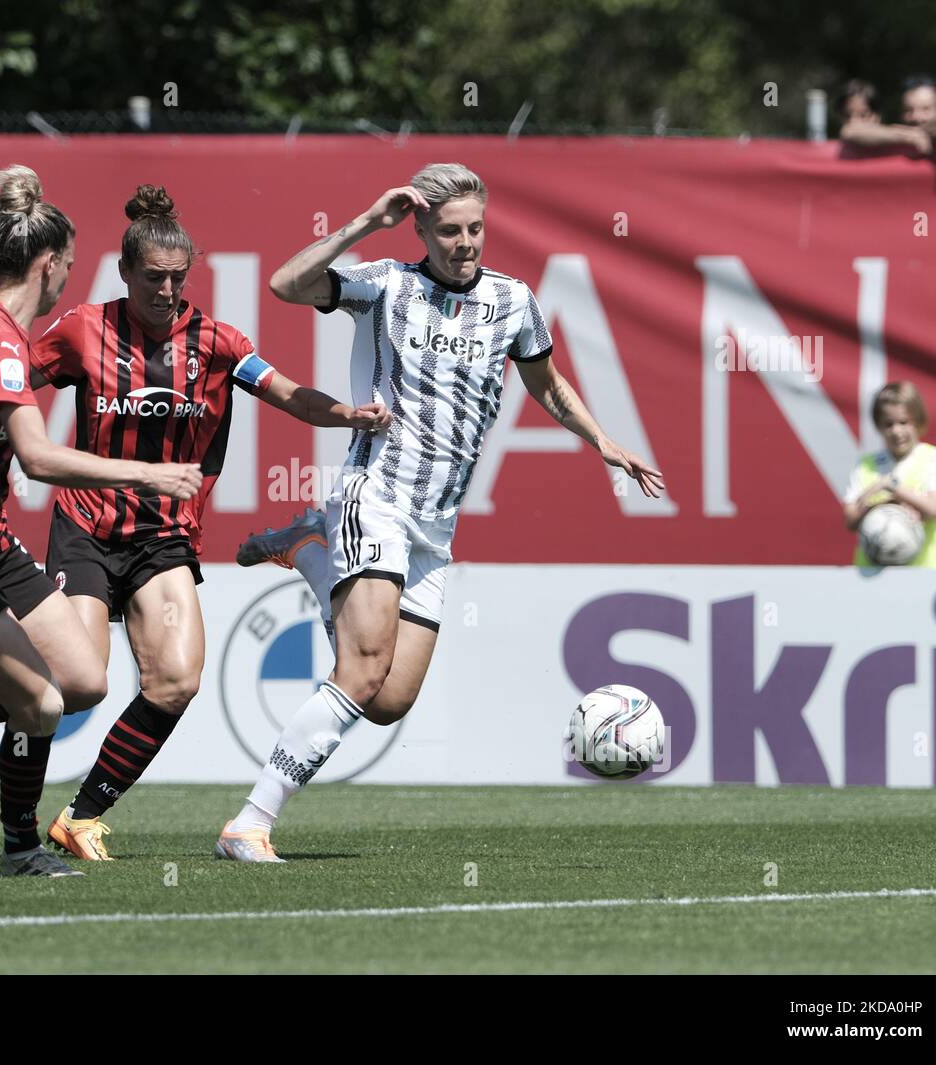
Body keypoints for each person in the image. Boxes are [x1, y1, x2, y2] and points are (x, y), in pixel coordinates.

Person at [0, 185, 390, 861]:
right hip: (85, 528)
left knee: (178, 679)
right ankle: (5, 816)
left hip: (163, 538)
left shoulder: (219, 343)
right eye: (153, 277)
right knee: (70, 686)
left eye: (178, 278)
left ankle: (74, 811)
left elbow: (288, 395)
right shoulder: (81, 329)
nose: (167, 290)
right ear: (125, 273)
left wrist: (345, 414)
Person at [216, 163, 665, 861]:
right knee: (360, 669)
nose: (465, 242)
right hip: (378, 493)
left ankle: (308, 546)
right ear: (421, 228)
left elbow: (545, 384)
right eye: (449, 229)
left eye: (475, 228)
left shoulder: (513, 301)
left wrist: (602, 439)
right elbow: (286, 284)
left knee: (388, 697)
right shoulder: (386, 285)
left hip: (436, 522)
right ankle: (249, 822)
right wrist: (368, 220)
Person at [0, 165, 202, 877]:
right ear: (48, 264)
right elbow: (39, 458)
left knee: (83, 679)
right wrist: (148, 472)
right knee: (42, 703)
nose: (68, 284)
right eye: (69, 270)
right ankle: (20, 848)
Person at [843, 381, 936, 567]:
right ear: (879, 426)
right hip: (873, 577)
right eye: (888, 424)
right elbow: (850, 519)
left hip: (926, 573)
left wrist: (891, 485)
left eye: (904, 422)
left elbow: (933, 508)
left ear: (918, 421)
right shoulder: (866, 465)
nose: (896, 431)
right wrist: (885, 506)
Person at [839, 75, 936, 154]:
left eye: (925, 109)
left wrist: (924, 133)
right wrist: (907, 137)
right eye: (909, 110)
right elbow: (849, 131)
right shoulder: (896, 138)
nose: (916, 117)